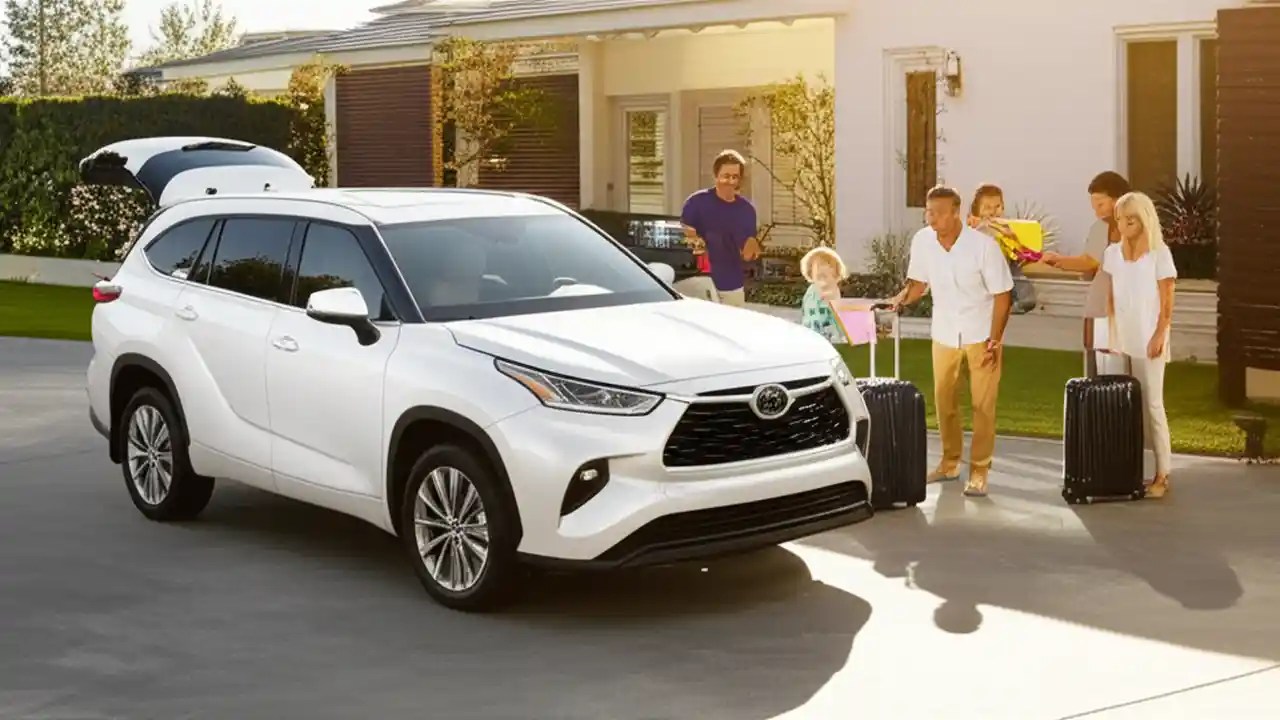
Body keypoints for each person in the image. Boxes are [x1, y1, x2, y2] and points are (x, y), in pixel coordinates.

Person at [888, 185, 1014, 498]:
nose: (932, 219)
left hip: (981, 333)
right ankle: (949, 463)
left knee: (982, 405)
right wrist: (900, 299)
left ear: (956, 212)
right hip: (944, 333)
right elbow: (918, 284)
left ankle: (980, 470)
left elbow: (1003, 296)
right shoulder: (922, 241)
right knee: (944, 402)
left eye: (939, 213)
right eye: (929, 212)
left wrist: (995, 340)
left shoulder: (983, 247)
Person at [1103, 191, 1177, 498]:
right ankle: (1125, 471)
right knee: (1122, 405)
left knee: (1153, 405)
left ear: (1144, 221)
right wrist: (1111, 336)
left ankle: (1163, 473)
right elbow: (1110, 298)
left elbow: (1167, 302)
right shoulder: (1112, 254)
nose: (1123, 226)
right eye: (1119, 220)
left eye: (1130, 220)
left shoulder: (1160, 255)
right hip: (1122, 337)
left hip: (1150, 337)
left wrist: (1160, 334)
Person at [1041, 171, 1133, 374]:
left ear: (1118, 199)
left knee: (1126, 358)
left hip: (1128, 303)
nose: (1097, 212)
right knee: (1096, 352)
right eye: (1094, 206)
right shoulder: (1100, 228)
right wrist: (1059, 261)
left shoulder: (1138, 228)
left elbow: (1090, 262)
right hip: (1100, 300)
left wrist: (1059, 261)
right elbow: (1089, 262)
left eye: (1101, 204)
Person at [680, 149, 761, 307]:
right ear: (716, 175)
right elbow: (684, 235)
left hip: (732, 283)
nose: (730, 181)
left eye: (735, 177)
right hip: (700, 280)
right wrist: (694, 239)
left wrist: (752, 249)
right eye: (725, 176)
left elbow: (748, 251)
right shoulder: (696, 202)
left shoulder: (747, 210)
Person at [799, 246, 847, 342]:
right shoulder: (810, 292)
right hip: (811, 334)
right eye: (816, 266)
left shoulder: (833, 290)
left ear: (835, 274)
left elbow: (838, 314)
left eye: (826, 265)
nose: (820, 268)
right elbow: (805, 313)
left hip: (830, 337)